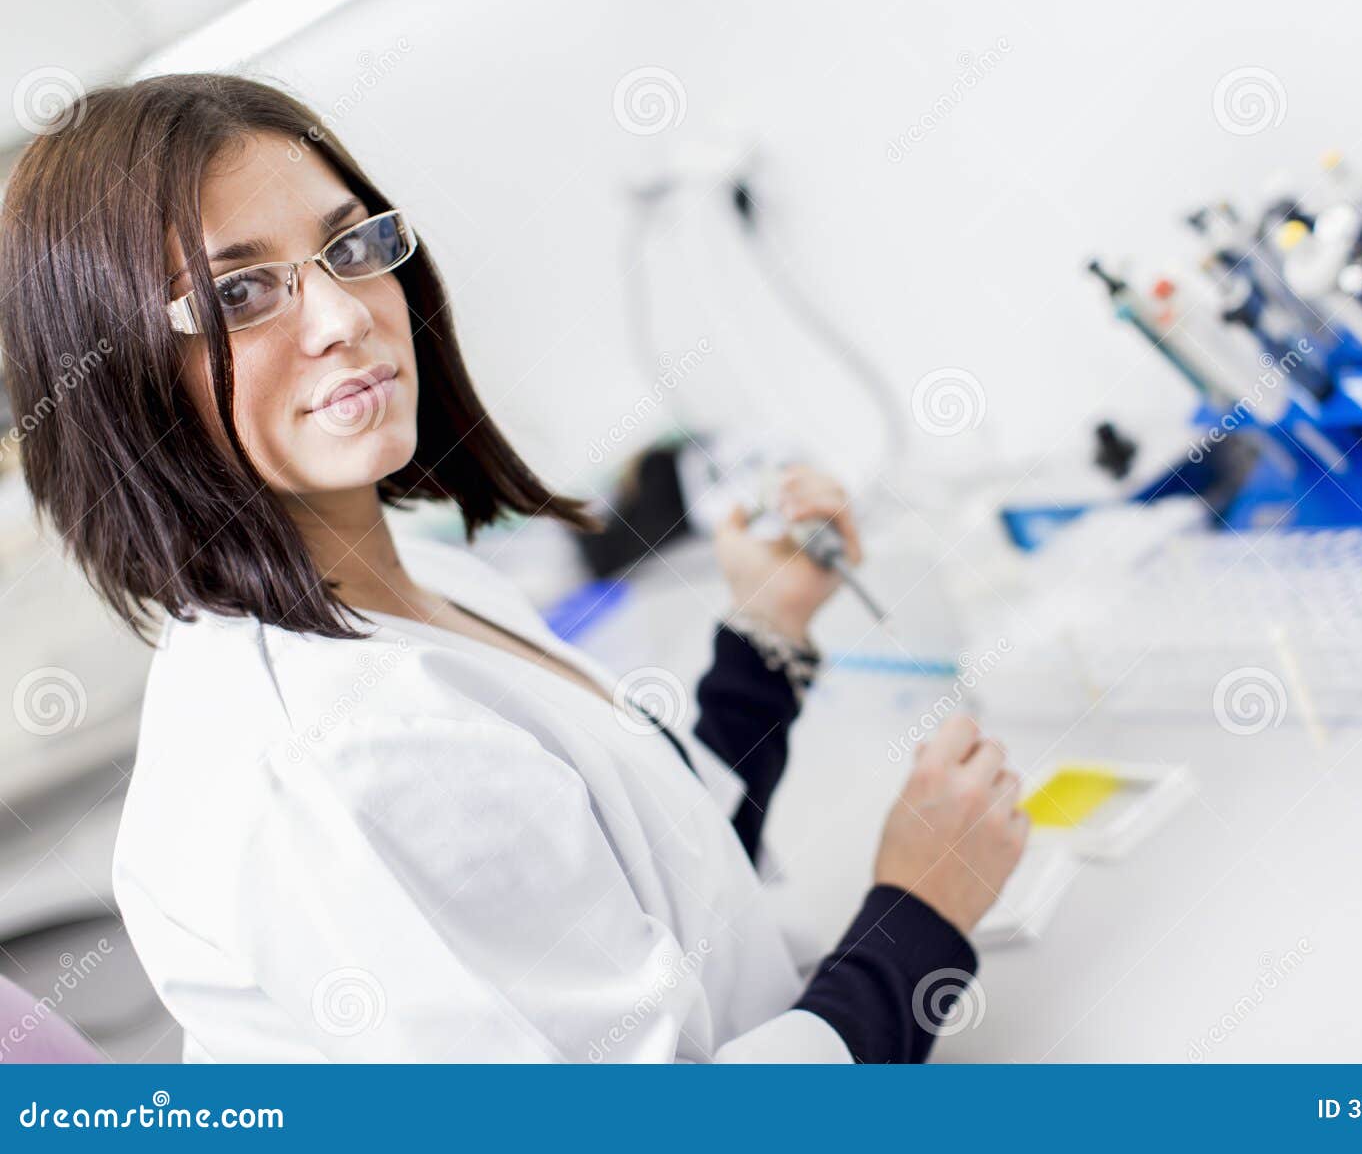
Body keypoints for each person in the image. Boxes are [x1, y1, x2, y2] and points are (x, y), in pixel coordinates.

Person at [0, 74, 1028, 1063]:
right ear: (114, 370)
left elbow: (652, 871)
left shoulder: (391, 584)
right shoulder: (344, 754)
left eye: (350, 244)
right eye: (240, 289)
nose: (347, 315)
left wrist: (766, 632)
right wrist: (921, 912)